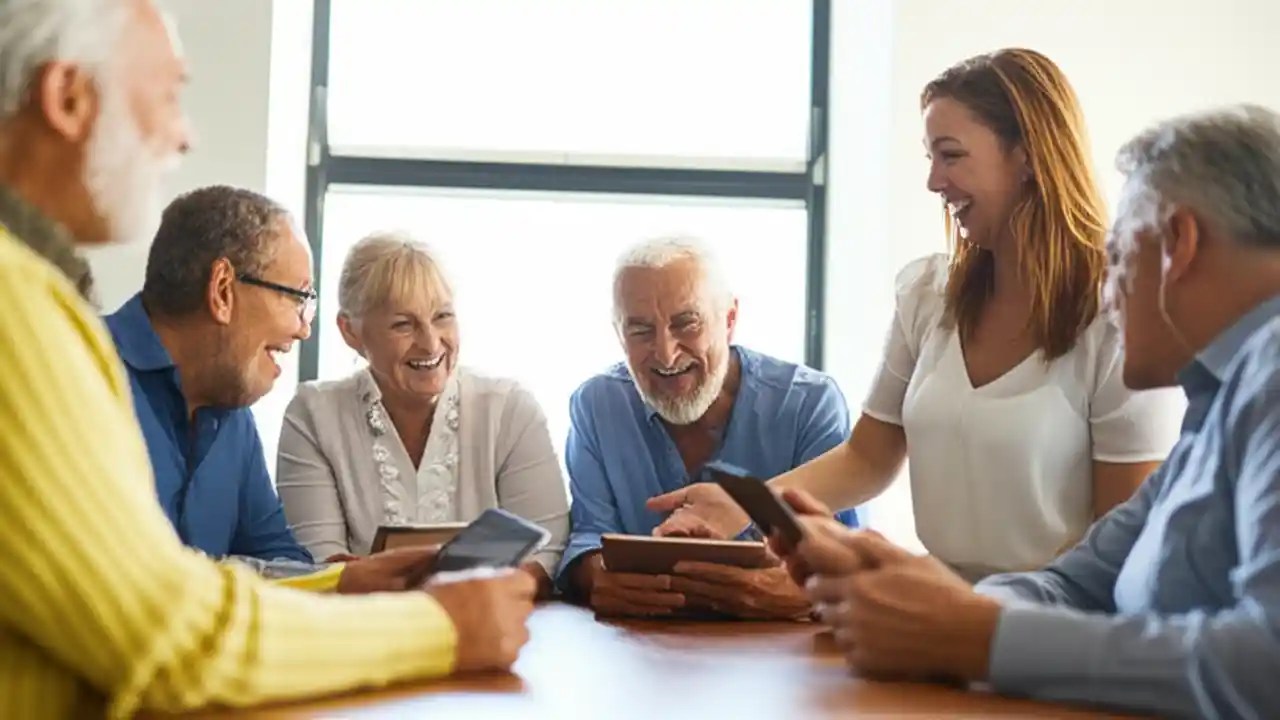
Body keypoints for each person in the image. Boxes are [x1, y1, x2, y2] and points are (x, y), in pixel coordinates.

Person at [0, 1, 534, 717]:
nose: (182, 135)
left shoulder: (211, 402)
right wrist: (440, 629)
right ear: (68, 97)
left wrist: (345, 584)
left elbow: (186, 586)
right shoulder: (18, 306)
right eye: (164, 96)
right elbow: (163, 632)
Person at [791, 104, 1280, 719]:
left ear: (1178, 245)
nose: (1108, 292)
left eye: (1120, 258)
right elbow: (1076, 582)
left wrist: (978, 637)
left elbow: (1268, 664)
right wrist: (918, 597)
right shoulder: (1217, 406)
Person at [653, 48, 1182, 582]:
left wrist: (998, 619)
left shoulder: (1117, 316)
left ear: (1026, 156)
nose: (933, 181)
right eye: (930, 157)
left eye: (951, 156)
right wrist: (742, 505)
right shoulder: (930, 296)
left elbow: (1122, 544)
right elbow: (868, 457)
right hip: (938, 611)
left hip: (1052, 630)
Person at [558, 235, 859, 620]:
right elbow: (588, 535)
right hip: (642, 645)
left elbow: (845, 558)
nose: (666, 353)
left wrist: (806, 591)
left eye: (686, 323)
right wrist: (597, 577)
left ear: (730, 320)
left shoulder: (808, 403)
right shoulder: (595, 405)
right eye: (640, 330)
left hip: (781, 655)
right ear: (619, 335)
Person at [278, 231, 570, 596]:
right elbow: (316, 563)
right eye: (403, 324)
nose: (431, 343)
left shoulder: (510, 407)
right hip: (360, 632)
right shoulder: (313, 414)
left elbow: (547, 553)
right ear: (350, 331)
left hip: (493, 626)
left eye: (442, 317)